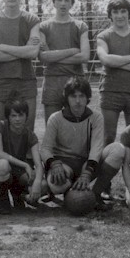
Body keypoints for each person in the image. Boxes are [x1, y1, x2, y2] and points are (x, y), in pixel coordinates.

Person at [95, 0, 130, 200]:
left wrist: (118, 63)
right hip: (110, 91)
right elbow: (106, 59)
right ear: (110, 15)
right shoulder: (103, 36)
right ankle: (103, 184)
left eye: (123, 11)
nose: (119, 15)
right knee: (108, 138)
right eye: (115, 12)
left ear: (129, 13)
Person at [40, 77, 112, 211]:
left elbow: (97, 148)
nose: (78, 101)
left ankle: (95, 194)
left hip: (86, 162)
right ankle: (71, 191)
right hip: (65, 164)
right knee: (56, 186)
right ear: (66, 98)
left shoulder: (96, 117)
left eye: (82, 96)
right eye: (73, 96)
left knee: (117, 151)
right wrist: (54, 164)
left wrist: (86, 173)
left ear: (88, 98)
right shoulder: (55, 118)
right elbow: (45, 149)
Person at [0, 0, 41, 131]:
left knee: (27, 128)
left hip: (26, 79)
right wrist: (24, 51)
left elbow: (34, 52)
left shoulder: (31, 19)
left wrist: (3, 47)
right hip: (1, 80)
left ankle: (27, 155)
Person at [38, 0, 89, 124]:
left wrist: (53, 56)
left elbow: (84, 56)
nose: (63, 3)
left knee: (76, 126)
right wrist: (72, 50)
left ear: (72, 3)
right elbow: (43, 57)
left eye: (67, 0)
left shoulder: (80, 26)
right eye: (59, 0)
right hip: (52, 82)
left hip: (75, 81)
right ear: (53, 3)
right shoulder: (43, 26)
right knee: (52, 126)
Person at [0, 99, 44, 211]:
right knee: (2, 165)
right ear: (8, 117)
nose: (17, 119)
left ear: (26, 116)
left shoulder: (30, 135)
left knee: (42, 184)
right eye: (13, 116)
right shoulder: (0, 127)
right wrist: (25, 165)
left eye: (21, 115)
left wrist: (38, 182)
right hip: (2, 172)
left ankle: (19, 195)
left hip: (19, 173)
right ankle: (3, 197)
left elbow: (38, 164)